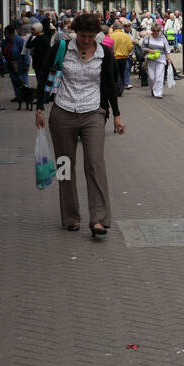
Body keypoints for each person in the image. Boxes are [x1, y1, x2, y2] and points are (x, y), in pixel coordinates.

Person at [35, 12, 126, 237]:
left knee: (95, 164)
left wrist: (116, 115)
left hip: (93, 113)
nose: (86, 40)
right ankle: (71, 216)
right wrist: (39, 108)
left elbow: (109, 84)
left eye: (90, 36)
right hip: (63, 113)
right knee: (65, 166)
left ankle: (99, 219)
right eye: (82, 36)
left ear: (96, 34)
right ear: (75, 32)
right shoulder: (61, 48)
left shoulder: (104, 52)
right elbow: (43, 74)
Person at [140, 21, 172, 98]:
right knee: (152, 77)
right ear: (152, 30)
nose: (156, 32)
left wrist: (168, 59)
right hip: (151, 59)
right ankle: (153, 89)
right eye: (154, 31)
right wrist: (150, 50)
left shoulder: (162, 37)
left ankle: (158, 93)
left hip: (161, 58)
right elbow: (143, 47)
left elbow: (166, 49)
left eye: (158, 31)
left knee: (159, 76)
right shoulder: (147, 37)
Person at [111, 21, 134, 92]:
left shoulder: (111, 36)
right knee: (121, 73)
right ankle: (121, 88)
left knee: (115, 74)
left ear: (114, 28)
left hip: (114, 57)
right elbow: (131, 47)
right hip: (124, 57)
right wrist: (127, 52)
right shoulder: (126, 36)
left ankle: (117, 88)